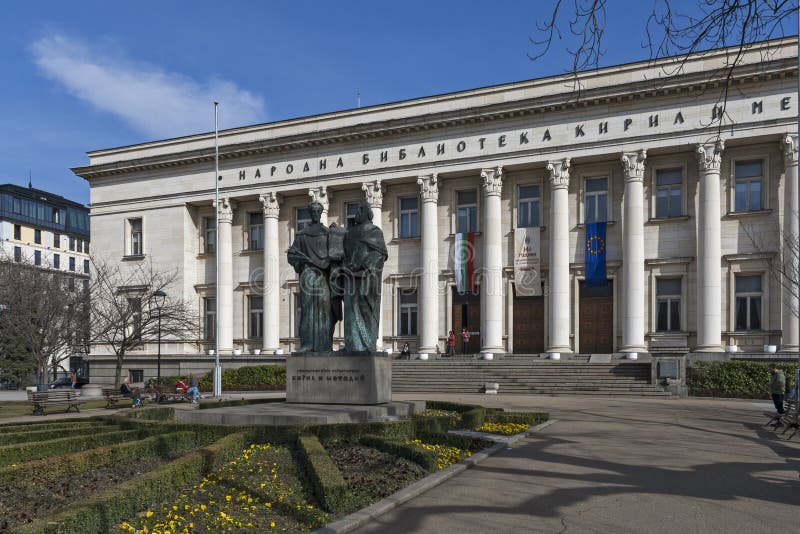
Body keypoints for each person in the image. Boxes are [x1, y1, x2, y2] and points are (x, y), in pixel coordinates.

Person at [287, 201, 342, 352]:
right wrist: (302, 260)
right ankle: (307, 344)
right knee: (307, 310)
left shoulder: (328, 233)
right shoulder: (302, 235)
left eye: (318, 212)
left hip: (324, 276)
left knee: (325, 310)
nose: (315, 214)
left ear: (321, 213)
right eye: (313, 212)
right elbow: (292, 254)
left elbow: (336, 254)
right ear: (310, 213)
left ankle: (324, 344)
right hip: (308, 275)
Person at [340, 201, 388, 352]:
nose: (356, 213)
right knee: (350, 313)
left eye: (360, 210)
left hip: (367, 278)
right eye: (356, 210)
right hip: (350, 278)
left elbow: (379, 255)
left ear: (368, 214)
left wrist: (362, 265)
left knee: (366, 309)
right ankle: (352, 345)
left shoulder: (375, 232)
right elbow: (343, 254)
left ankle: (367, 345)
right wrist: (347, 266)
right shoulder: (349, 234)